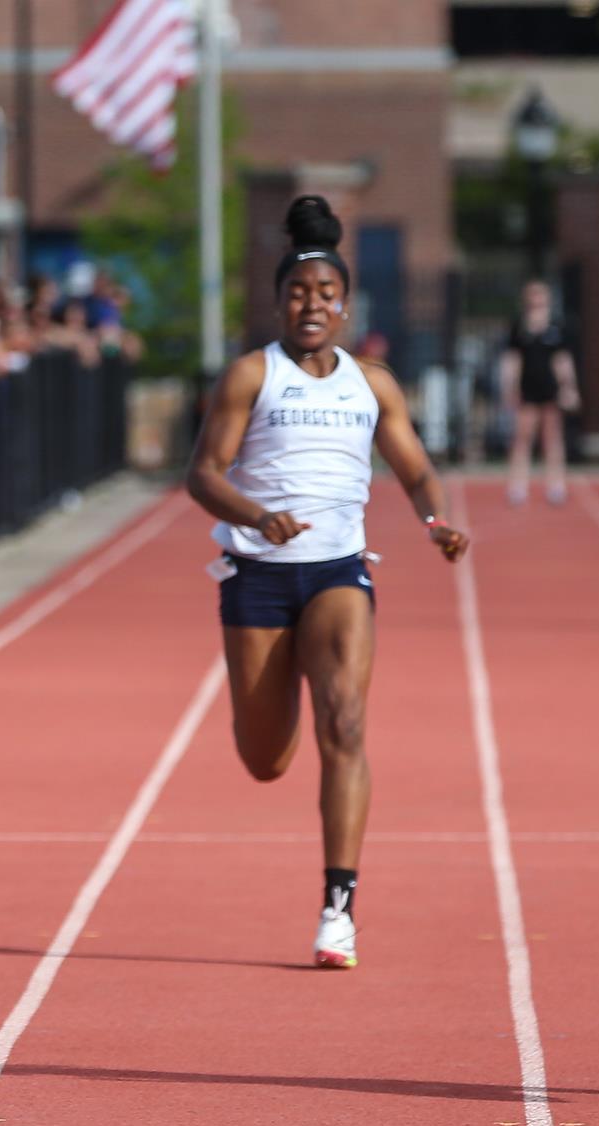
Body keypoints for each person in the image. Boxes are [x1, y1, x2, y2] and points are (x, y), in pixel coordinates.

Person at [185, 196, 469, 969]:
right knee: (266, 757)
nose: (312, 305)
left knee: (344, 722)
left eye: (326, 294)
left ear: (345, 306)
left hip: (341, 571)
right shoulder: (252, 375)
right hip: (257, 576)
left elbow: (414, 469)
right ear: (280, 303)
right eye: (298, 293)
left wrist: (436, 521)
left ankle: (338, 907)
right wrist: (256, 513)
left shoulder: (371, 386)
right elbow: (202, 475)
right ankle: (268, 739)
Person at [500, 278, 580, 507]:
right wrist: (509, 387)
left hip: (550, 388)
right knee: (522, 438)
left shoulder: (556, 326)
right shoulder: (519, 326)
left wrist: (569, 387)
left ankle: (556, 485)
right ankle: (517, 486)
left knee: (552, 438)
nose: (536, 299)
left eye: (540, 295)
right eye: (532, 295)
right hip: (527, 388)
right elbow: (512, 360)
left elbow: (563, 360)